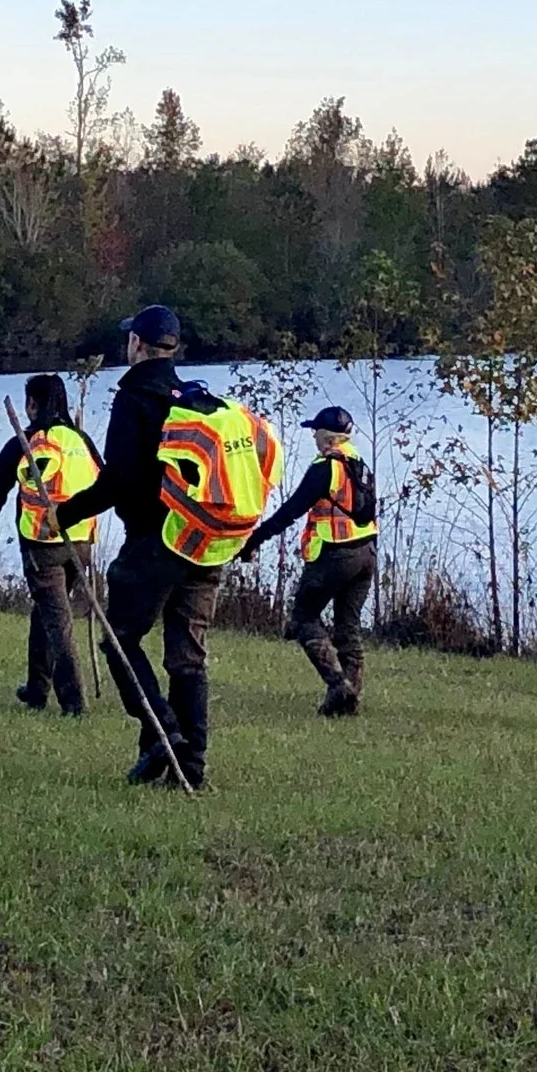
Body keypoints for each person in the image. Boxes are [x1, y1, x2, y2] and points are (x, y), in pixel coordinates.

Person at [53, 305, 221, 788]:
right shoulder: (195, 398)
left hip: (154, 542)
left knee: (121, 640)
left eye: (130, 338)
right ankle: (190, 768)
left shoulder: (134, 396)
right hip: (203, 541)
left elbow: (118, 481)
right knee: (187, 656)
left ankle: (165, 732)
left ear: (138, 345)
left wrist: (65, 513)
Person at [0, 373, 103, 714]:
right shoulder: (81, 439)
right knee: (45, 615)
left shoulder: (26, 442)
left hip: (42, 545)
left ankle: (74, 704)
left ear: (32, 404)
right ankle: (36, 689)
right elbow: (105, 482)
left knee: (58, 623)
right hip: (82, 543)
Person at [240, 405, 380, 716]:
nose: (313, 437)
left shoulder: (326, 467)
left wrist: (253, 540)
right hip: (367, 554)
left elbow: (291, 511)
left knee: (303, 619)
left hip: (334, 555)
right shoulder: (360, 465)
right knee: (348, 627)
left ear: (327, 437)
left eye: (315, 432)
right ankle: (349, 701)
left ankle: (338, 685)